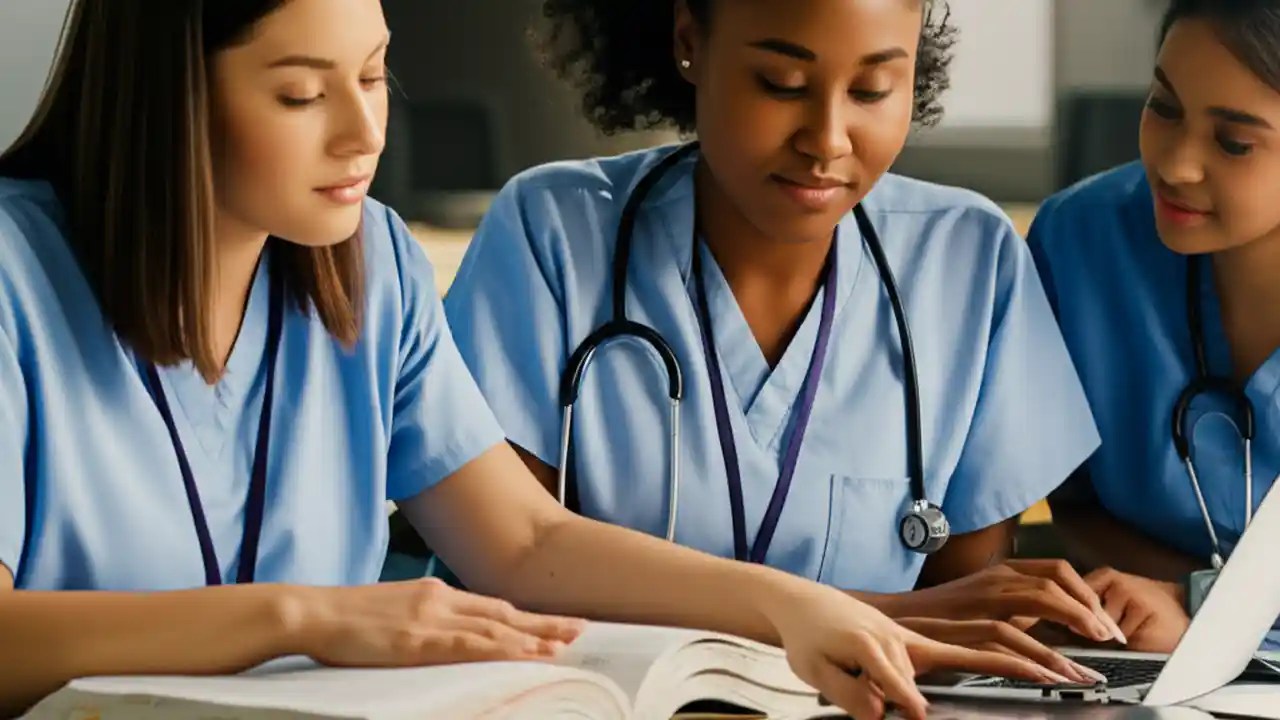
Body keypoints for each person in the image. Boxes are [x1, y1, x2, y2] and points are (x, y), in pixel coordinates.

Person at [0, 0, 1070, 718]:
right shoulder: (12, 275)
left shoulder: (371, 261)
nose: (359, 132)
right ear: (169, 91)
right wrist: (312, 615)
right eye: (299, 93)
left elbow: (522, 538)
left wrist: (796, 606)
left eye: (373, 77)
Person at [443, 0, 1112, 680]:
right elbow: (512, 569)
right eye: (781, 85)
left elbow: (959, 622)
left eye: (872, 90)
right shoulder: (551, 233)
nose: (827, 140)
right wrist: (848, 617)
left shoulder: (969, 258)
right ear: (689, 43)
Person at [1029, 0, 1280, 653]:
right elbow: (1076, 500)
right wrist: (1156, 599)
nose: (1175, 165)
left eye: (1233, 142)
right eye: (1164, 106)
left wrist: (1205, 612)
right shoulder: (1082, 241)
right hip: (1144, 659)